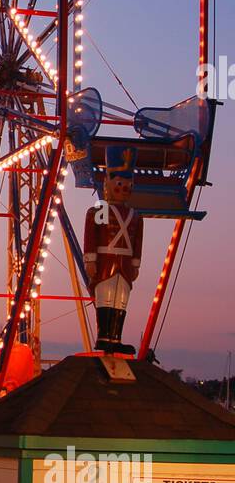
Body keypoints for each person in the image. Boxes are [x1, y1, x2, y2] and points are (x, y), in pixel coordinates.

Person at [84, 143, 144, 354]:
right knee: (105, 298)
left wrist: (136, 264)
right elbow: (91, 235)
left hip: (124, 263)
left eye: (129, 183)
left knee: (121, 300)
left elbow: (137, 242)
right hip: (106, 259)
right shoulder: (99, 209)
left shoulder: (135, 215)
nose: (125, 187)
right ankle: (104, 336)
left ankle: (115, 338)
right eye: (120, 182)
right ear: (107, 183)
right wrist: (90, 259)